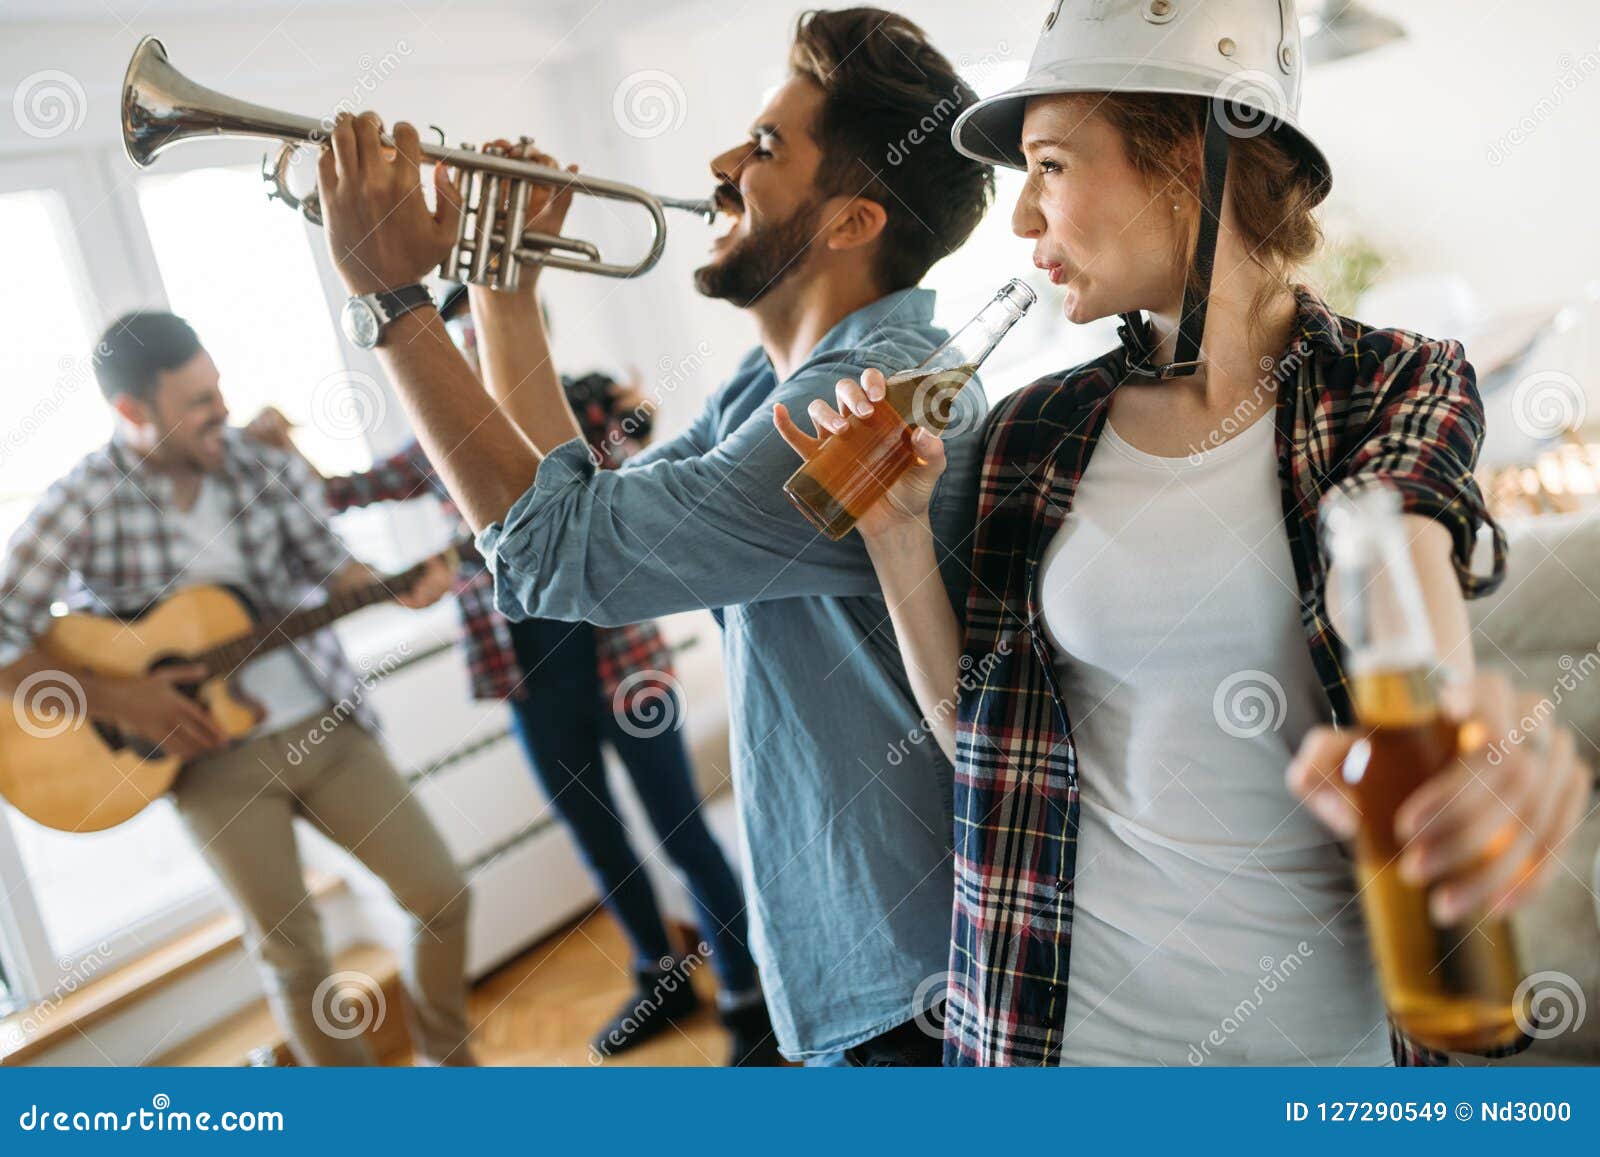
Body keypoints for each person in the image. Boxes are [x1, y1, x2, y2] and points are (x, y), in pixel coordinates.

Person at [780, 0, 1593, 1066]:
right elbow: (981, 739)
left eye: (1052, 165)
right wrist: (893, 535)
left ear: (1186, 160)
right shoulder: (1035, 431)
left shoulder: (1391, 380)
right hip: (1056, 1046)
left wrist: (1455, 747)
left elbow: (1403, 553)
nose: (1022, 219)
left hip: (1327, 1056)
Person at [306, 7, 993, 1064]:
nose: (721, 165)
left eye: (764, 148)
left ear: (851, 222)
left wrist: (391, 299)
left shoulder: (873, 399)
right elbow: (574, 525)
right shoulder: (778, 387)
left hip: (901, 986)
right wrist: (503, 289)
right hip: (858, 958)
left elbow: (557, 557)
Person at [246, 290, 777, 1066]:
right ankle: (660, 978)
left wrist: (628, 416)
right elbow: (338, 492)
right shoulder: (437, 441)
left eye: (478, 343)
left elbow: (622, 469)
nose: (464, 364)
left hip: (620, 665)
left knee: (680, 830)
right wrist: (281, 451)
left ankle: (748, 997)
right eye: (454, 350)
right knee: (597, 839)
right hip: (529, 681)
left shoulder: (588, 406)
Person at [0, 312, 473, 1067]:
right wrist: (119, 699)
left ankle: (454, 1080)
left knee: (442, 893)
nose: (218, 410)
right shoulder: (82, 498)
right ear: (131, 412)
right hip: (208, 766)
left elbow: (333, 566)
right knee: (294, 957)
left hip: (325, 726)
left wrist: (395, 586)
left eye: (217, 388)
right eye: (194, 400)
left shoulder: (260, 466)